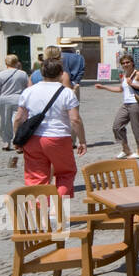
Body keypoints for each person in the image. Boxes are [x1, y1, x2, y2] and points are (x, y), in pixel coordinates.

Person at [13, 58, 86, 196]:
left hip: (34, 139)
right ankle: (57, 212)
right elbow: (75, 120)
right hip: (58, 138)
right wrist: (82, 141)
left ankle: (39, 214)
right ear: (61, 73)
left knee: (36, 177)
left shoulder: (29, 91)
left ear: (42, 73)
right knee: (65, 174)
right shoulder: (67, 93)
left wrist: (17, 139)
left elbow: (18, 118)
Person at [93, 54, 139, 159]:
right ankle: (126, 149)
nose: (125, 64)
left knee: (136, 127)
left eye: (127, 62)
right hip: (126, 104)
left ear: (132, 62)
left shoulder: (138, 74)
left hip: (136, 103)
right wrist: (104, 87)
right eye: (123, 63)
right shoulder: (125, 75)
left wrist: (133, 84)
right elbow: (121, 89)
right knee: (117, 126)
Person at [0, 54, 31, 157]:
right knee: (17, 121)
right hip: (18, 99)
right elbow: (29, 88)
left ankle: (6, 141)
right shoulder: (23, 74)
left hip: (3, 100)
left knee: (5, 120)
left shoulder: (0, 74)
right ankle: (18, 142)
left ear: (6, 63)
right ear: (17, 62)